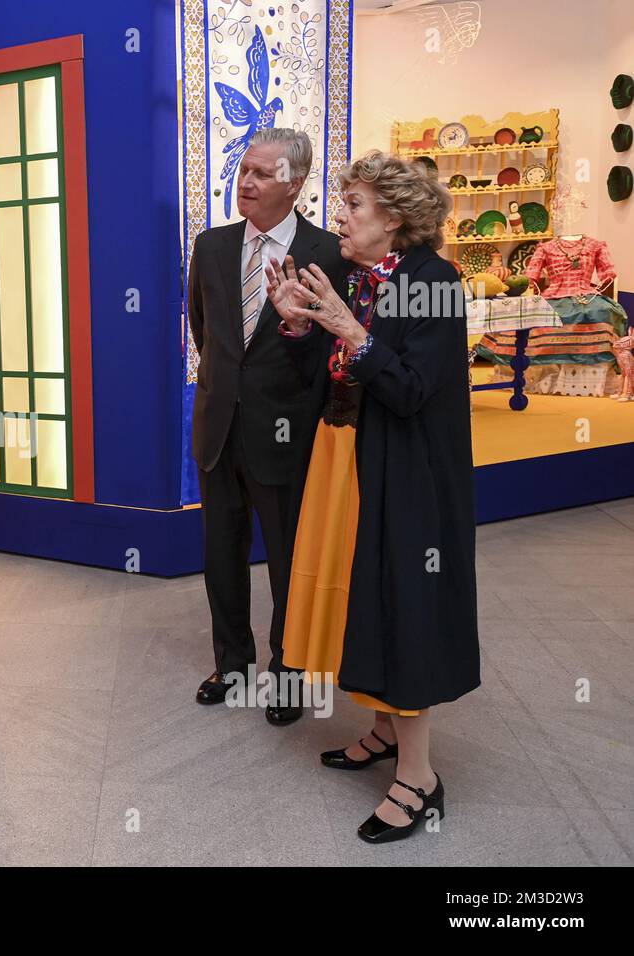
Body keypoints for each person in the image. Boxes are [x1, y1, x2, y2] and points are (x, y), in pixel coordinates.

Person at [266, 150, 480, 843]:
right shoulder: (364, 278)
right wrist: (299, 324)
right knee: (366, 600)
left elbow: (413, 389)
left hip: (410, 474)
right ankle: (384, 730)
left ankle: (420, 778)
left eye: (353, 204)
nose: (340, 216)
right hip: (353, 461)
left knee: (404, 607)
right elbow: (335, 370)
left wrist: (350, 330)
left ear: (394, 217)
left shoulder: (436, 282)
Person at [186, 129, 347, 724]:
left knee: (286, 560)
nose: (244, 183)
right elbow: (207, 334)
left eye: (260, 174)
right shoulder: (211, 245)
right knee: (221, 554)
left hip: (287, 435)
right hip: (218, 429)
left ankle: (288, 671)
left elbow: (333, 353)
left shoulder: (329, 255)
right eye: (242, 170)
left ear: (294, 184)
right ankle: (232, 664)